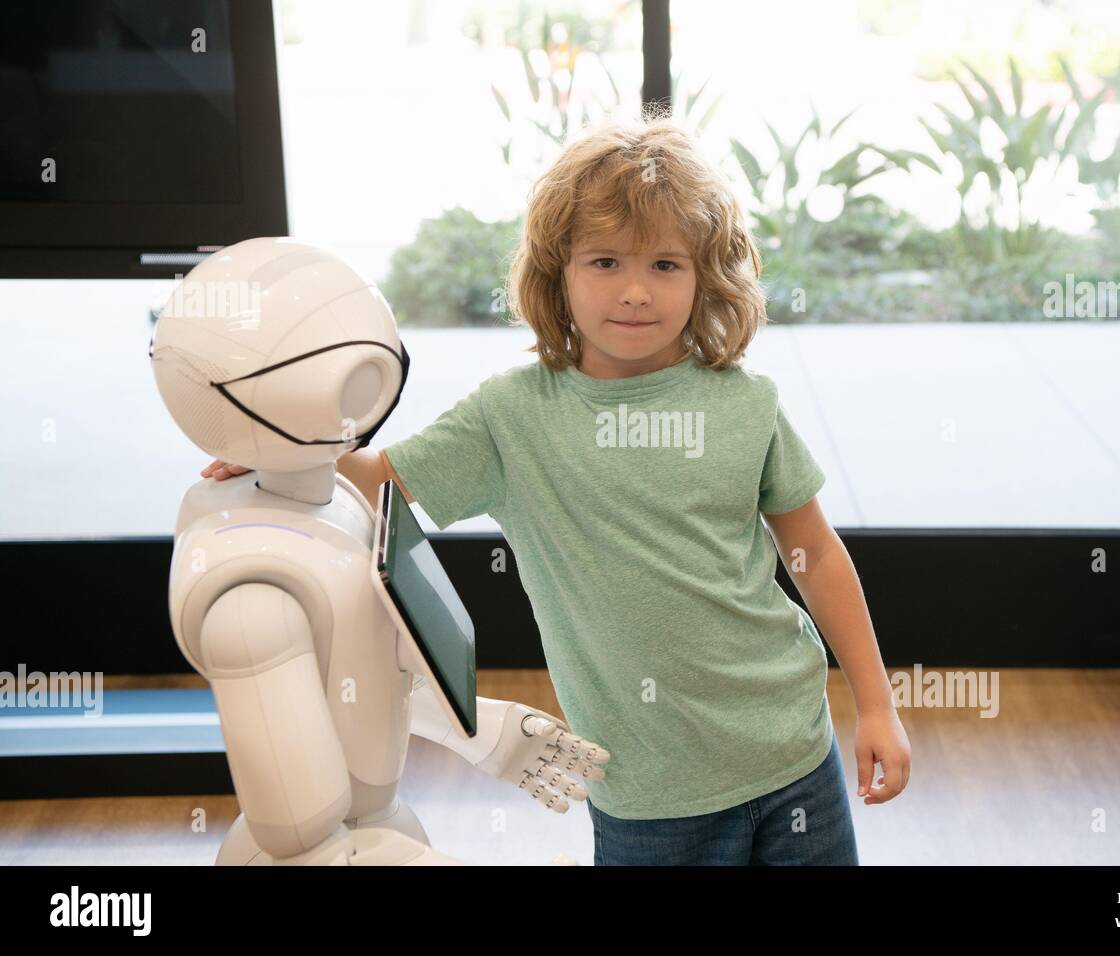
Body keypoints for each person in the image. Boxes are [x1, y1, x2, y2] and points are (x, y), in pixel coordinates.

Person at [205, 109, 910, 865]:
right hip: (649, 796)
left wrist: (875, 704)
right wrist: (281, 452)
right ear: (557, 274)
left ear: (706, 277)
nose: (635, 291)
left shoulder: (747, 403)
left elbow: (815, 552)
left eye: (665, 265)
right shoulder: (511, 418)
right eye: (605, 263)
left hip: (793, 754)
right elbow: (383, 478)